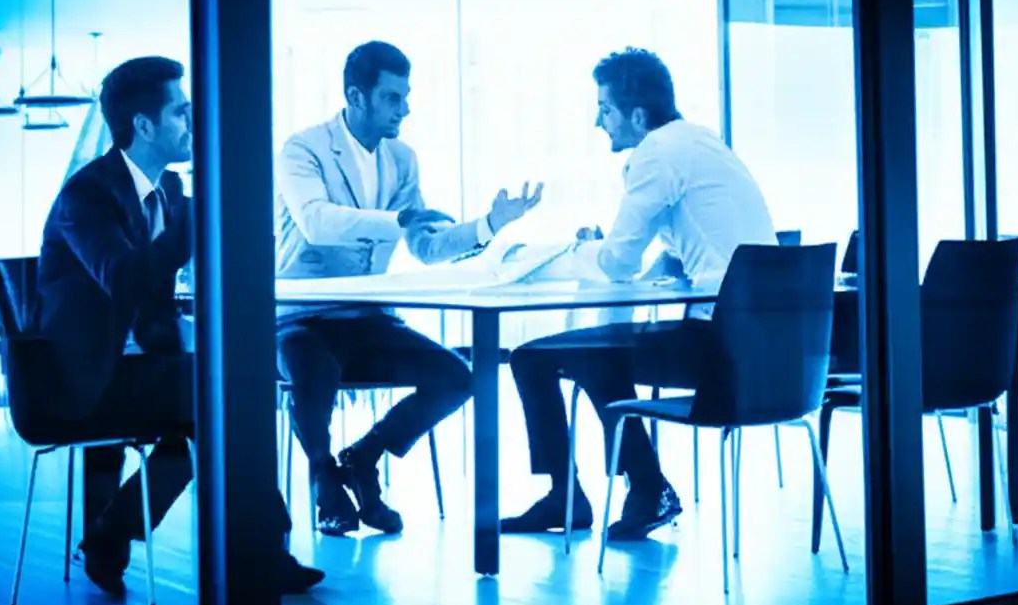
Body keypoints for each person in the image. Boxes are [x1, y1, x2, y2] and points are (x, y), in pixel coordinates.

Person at [36, 56, 322, 597]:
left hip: (144, 364)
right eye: (182, 113)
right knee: (219, 404)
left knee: (223, 398)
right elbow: (124, 278)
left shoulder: (166, 187)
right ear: (143, 126)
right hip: (81, 376)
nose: (194, 124)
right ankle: (257, 550)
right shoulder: (87, 196)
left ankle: (115, 528)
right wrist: (197, 216)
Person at [502, 47, 776, 540]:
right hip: (766, 346)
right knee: (600, 354)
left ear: (637, 115)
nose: (597, 121)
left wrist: (571, 251)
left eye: (604, 109)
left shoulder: (654, 154)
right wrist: (613, 253)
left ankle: (577, 495)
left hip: (720, 348)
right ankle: (645, 490)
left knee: (533, 357)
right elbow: (676, 252)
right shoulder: (702, 142)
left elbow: (617, 264)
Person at [274, 40, 542, 536]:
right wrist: (401, 219)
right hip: (301, 316)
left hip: (369, 318)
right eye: (393, 98)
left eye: (406, 96)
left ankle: (364, 456)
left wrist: (487, 224)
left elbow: (424, 242)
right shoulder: (304, 149)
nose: (406, 109)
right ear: (357, 97)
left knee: (460, 377)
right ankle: (323, 477)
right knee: (312, 368)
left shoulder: (401, 158)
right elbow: (316, 222)